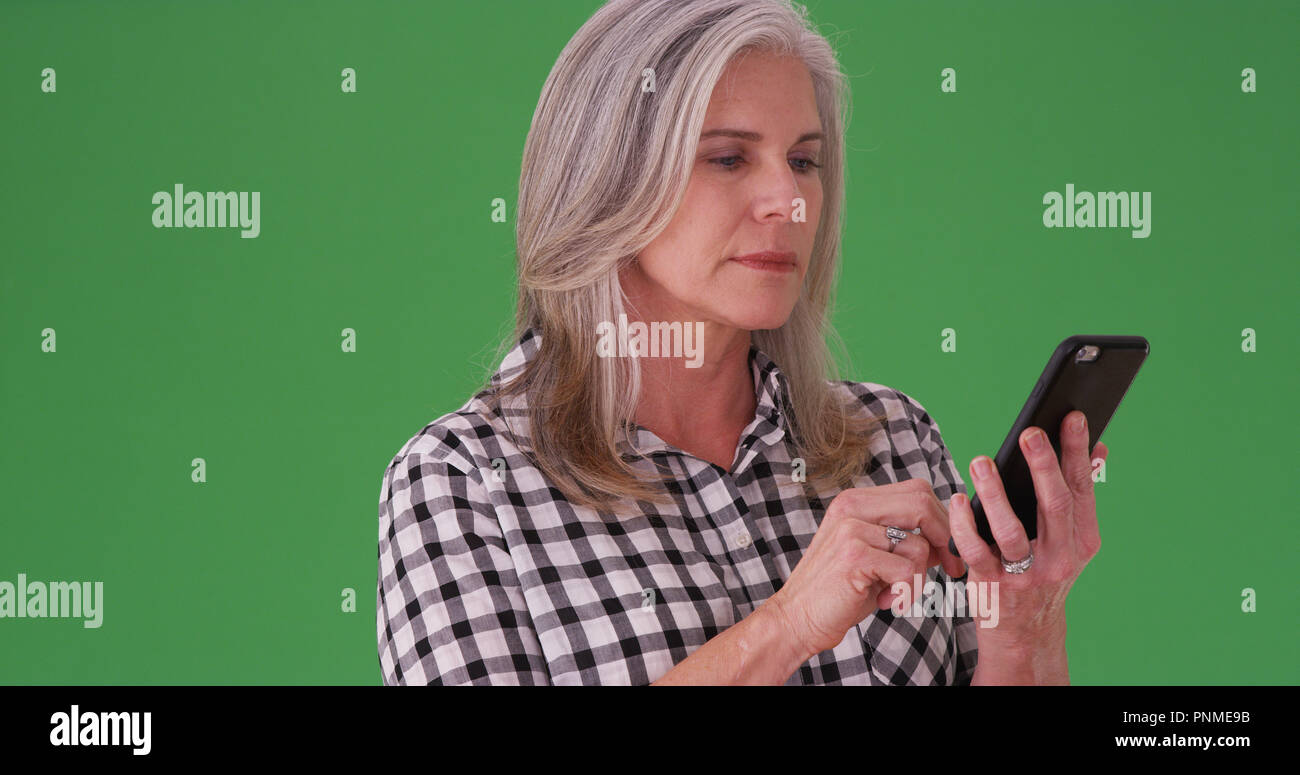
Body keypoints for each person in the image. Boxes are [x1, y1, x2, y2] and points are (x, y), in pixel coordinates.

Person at [376, 0, 1108, 685]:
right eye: (728, 157)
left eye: (803, 161)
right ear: (608, 180)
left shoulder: (893, 440)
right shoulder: (461, 483)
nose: (786, 201)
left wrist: (1025, 626)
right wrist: (787, 623)